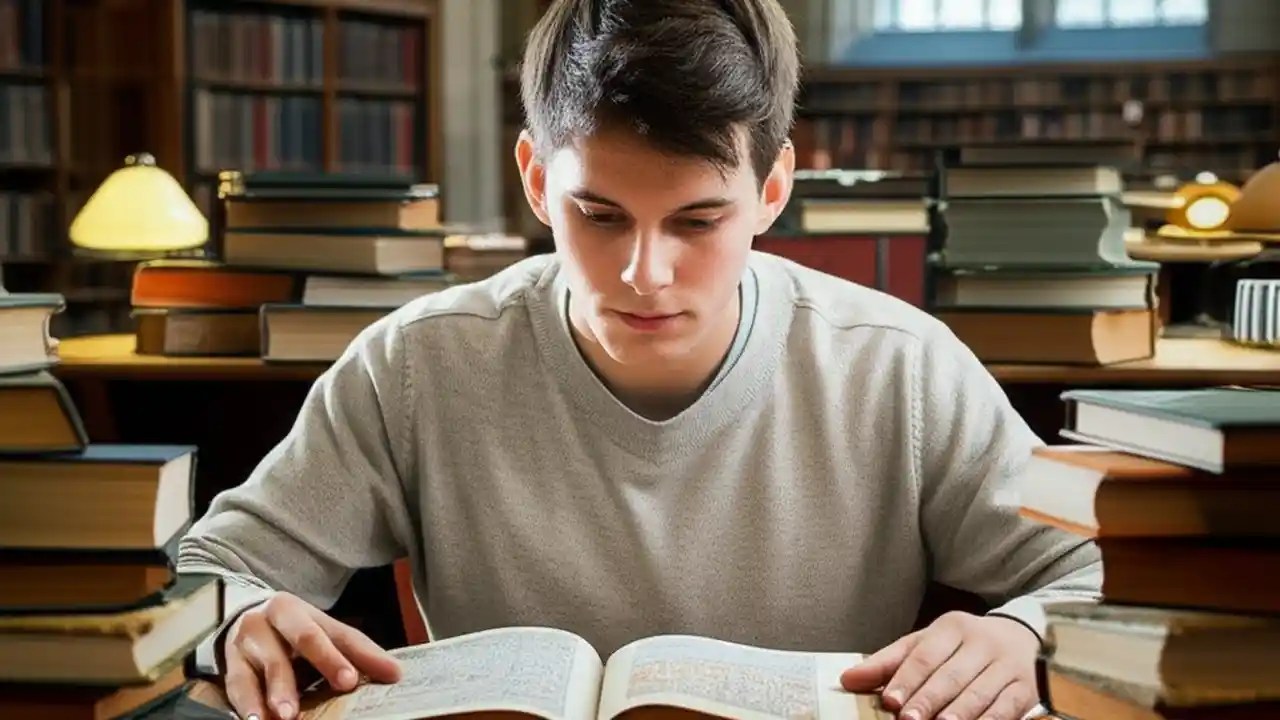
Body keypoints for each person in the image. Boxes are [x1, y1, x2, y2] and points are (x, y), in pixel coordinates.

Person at [176, 1, 1102, 719]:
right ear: (538, 180)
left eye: (698, 220)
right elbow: (207, 566)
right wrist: (238, 620)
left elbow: (1103, 572)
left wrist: (1024, 631)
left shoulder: (902, 368)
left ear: (772, 189)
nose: (644, 273)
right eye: (600, 214)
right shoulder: (415, 365)